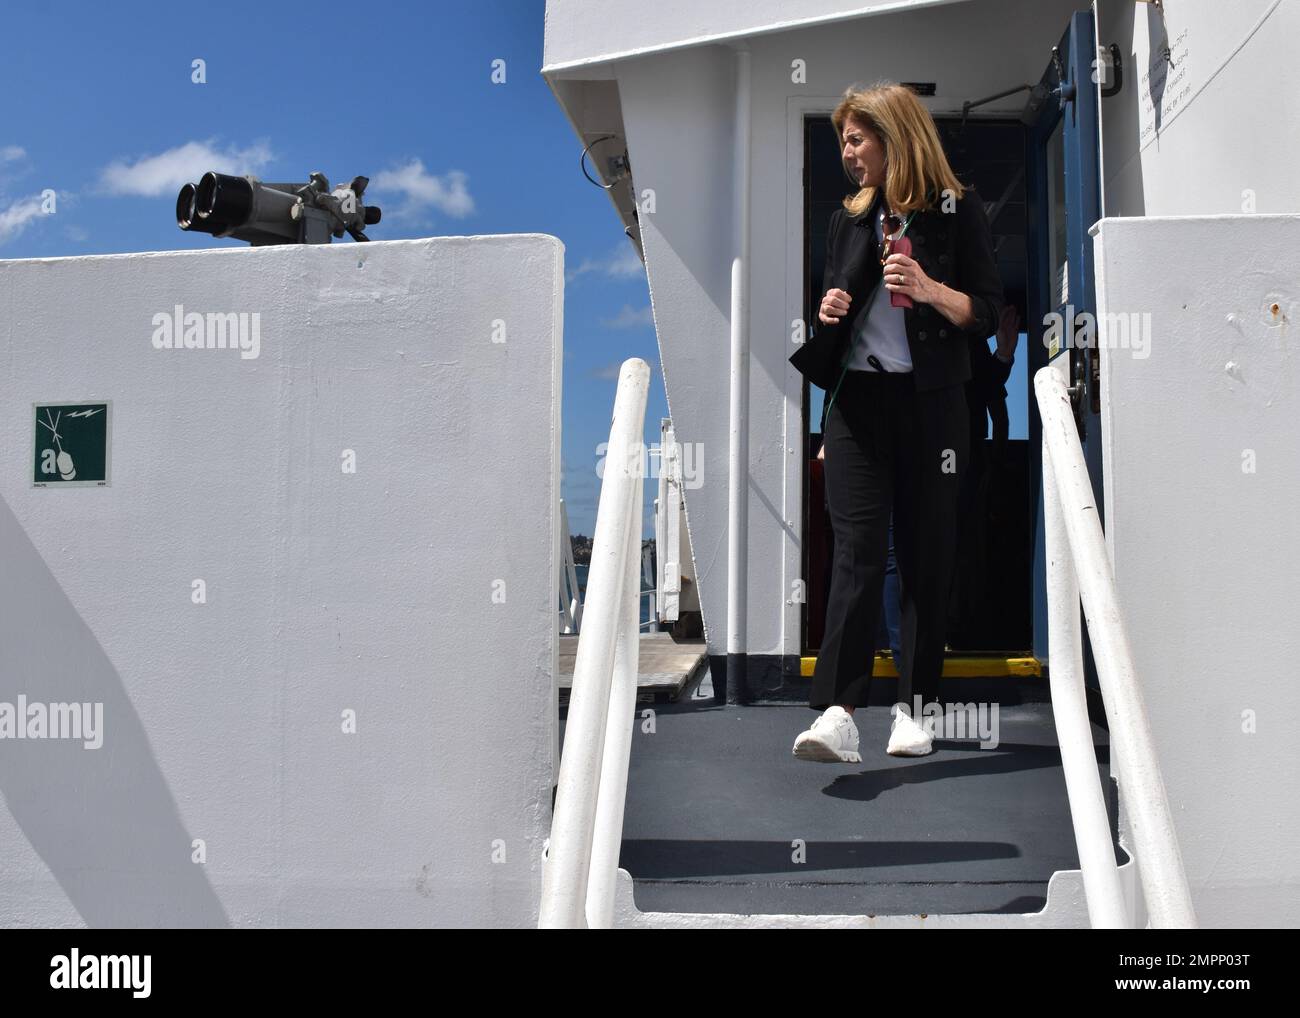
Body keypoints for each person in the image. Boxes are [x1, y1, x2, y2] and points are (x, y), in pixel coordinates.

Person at [789, 81, 1005, 762]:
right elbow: (841, 303)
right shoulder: (846, 220)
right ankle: (840, 713)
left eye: (856, 139)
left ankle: (914, 708)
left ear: (893, 135)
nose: (848, 154)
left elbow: (989, 313)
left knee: (924, 555)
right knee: (854, 553)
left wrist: (932, 290)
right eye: (844, 142)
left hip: (935, 404)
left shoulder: (955, 209)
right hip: (858, 405)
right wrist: (826, 307)